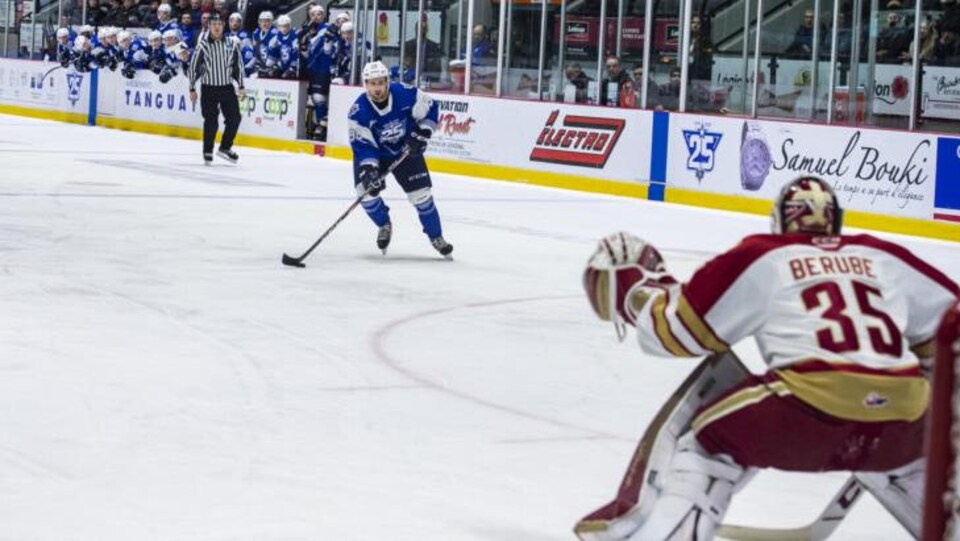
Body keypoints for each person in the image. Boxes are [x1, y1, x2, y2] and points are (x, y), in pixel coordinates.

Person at [579, 176, 959, 540]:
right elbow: (951, 324)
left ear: (780, 219)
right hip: (902, 418)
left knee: (705, 440)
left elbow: (677, 333)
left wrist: (637, 292)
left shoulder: (761, 254)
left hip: (808, 409)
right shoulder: (882, 255)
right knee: (916, 446)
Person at [348, 61, 453, 258]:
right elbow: (363, 145)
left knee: (422, 196)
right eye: (372, 83)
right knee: (365, 192)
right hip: (376, 156)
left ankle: (436, 237)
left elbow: (431, 109)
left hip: (406, 151)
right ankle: (384, 224)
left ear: (388, 81)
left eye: (380, 82)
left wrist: (422, 134)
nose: (377, 88)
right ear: (365, 84)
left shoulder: (406, 93)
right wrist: (370, 171)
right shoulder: (358, 111)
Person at [188, 13, 246, 166]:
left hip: (227, 87)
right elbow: (193, 67)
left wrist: (240, 85)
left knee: (235, 118)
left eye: (219, 24)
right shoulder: (203, 45)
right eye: (213, 24)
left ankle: (225, 147)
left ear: (223, 26)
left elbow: (237, 66)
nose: (216, 27)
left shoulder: (232, 44)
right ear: (209, 26)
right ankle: (208, 150)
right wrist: (192, 88)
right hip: (208, 88)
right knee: (211, 121)